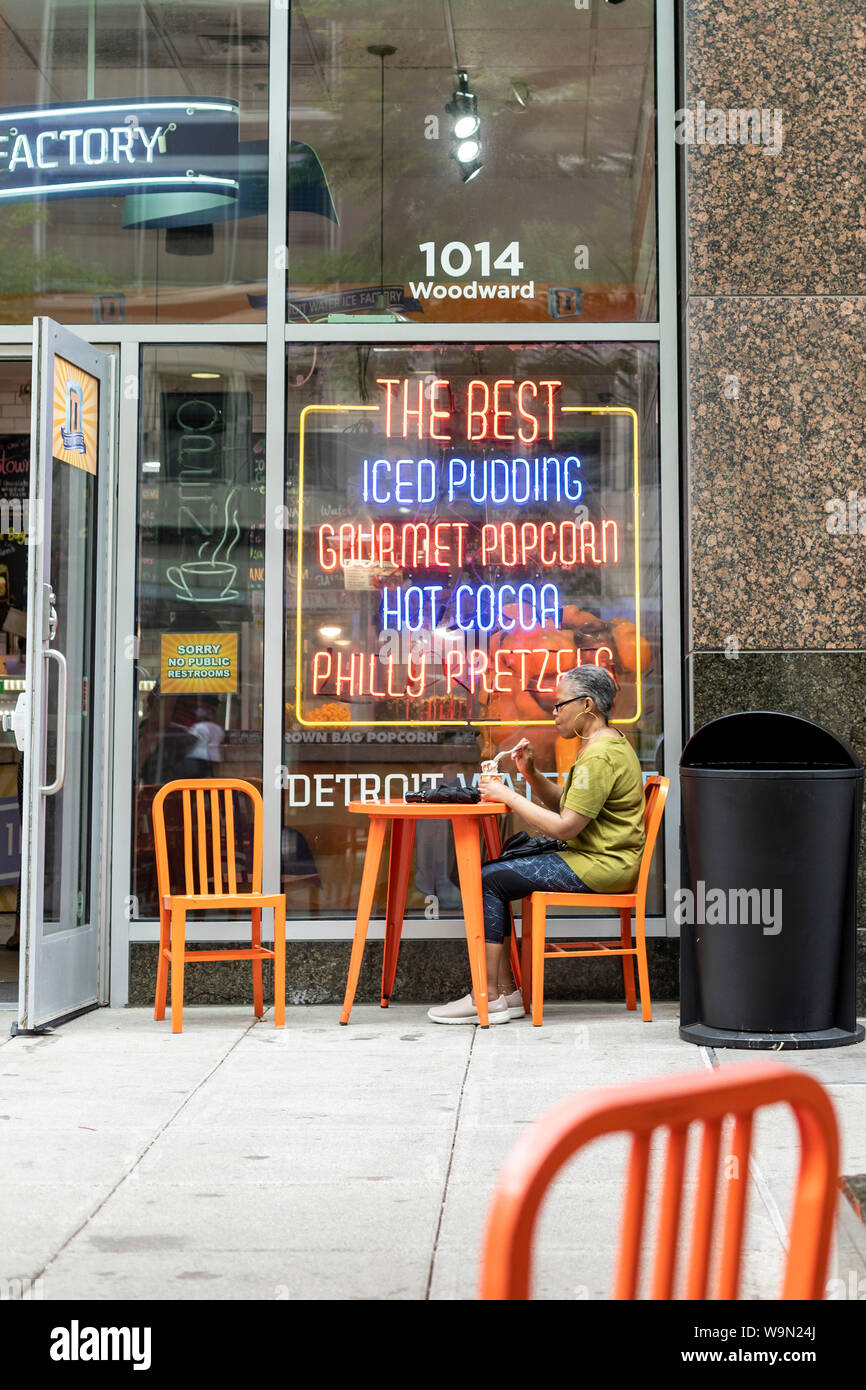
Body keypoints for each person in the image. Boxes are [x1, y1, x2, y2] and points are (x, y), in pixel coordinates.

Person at [427, 666, 646, 1024]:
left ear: (587, 705)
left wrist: (508, 795)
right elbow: (571, 804)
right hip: (601, 858)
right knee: (496, 873)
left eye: (560, 705)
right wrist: (531, 774)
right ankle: (504, 993)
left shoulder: (600, 754)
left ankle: (487, 995)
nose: (554, 712)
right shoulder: (602, 744)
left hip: (602, 865)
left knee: (487, 879)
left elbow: (566, 827)